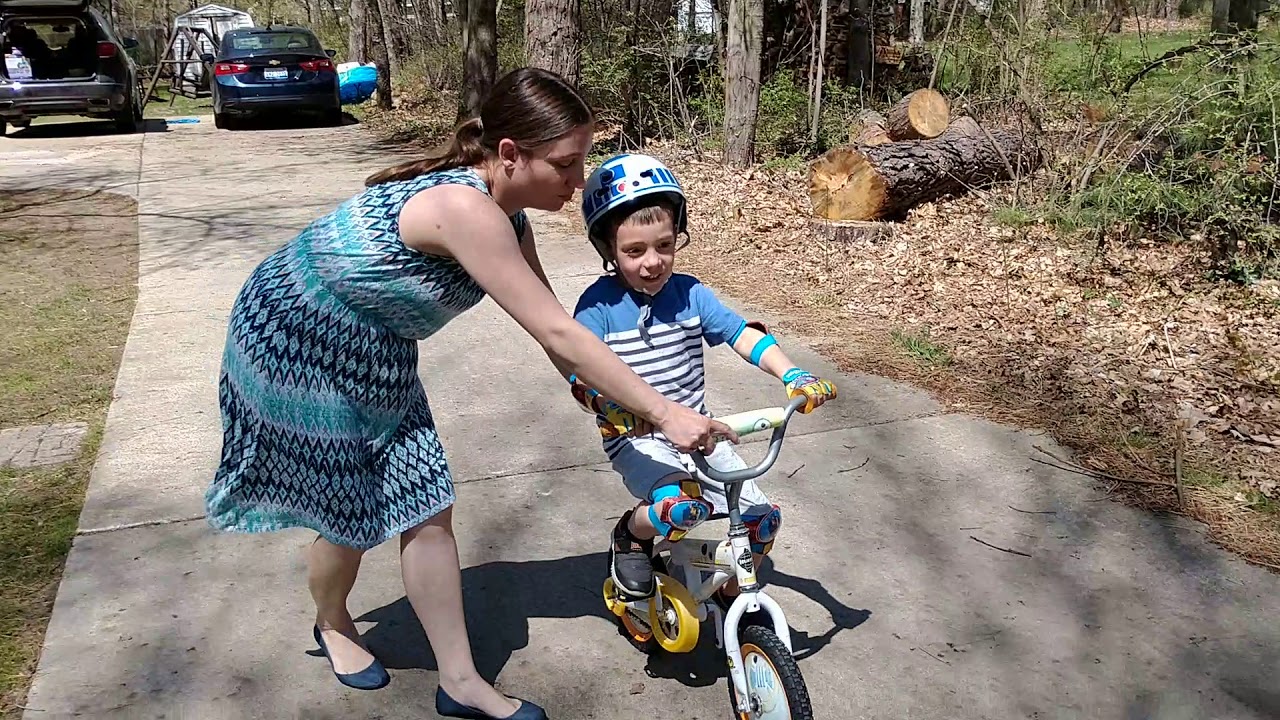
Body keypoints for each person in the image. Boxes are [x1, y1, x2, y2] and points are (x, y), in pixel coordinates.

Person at [204, 69, 738, 720]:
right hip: (299, 333)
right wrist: (663, 411)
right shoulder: (464, 209)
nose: (579, 182)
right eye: (567, 165)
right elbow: (556, 328)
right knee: (347, 512)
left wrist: (596, 395)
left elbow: (552, 328)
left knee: (427, 504)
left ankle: (459, 682)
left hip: (376, 344)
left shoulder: (511, 223)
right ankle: (334, 622)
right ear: (510, 154)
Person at [564, 153, 837, 615]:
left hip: (699, 432)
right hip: (637, 438)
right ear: (608, 250)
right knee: (679, 507)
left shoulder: (691, 294)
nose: (652, 263)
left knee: (763, 522)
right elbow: (579, 373)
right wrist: (612, 408)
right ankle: (631, 539)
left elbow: (742, 334)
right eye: (634, 252)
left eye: (664, 246)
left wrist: (793, 374)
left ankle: (731, 598)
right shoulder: (598, 308)